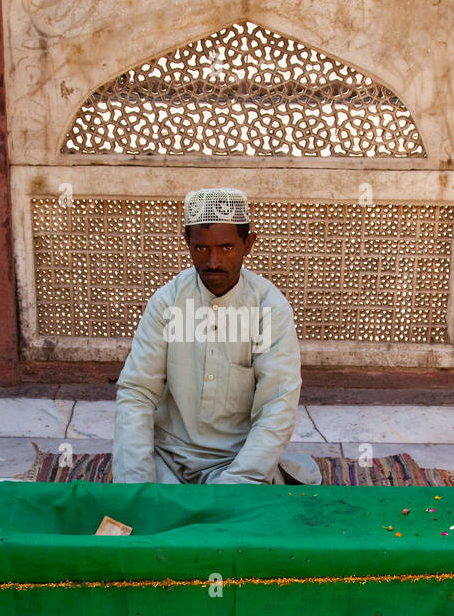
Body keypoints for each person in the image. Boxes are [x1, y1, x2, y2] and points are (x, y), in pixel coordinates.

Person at [112, 187, 321, 485]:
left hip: (237, 462)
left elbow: (277, 403)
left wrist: (235, 484)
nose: (213, 262)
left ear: (248, 244)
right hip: (169, 460)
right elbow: (137, 391)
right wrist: (137, 486)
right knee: (156, 517)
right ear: (187, 243)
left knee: (243, 525)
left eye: (226, 247)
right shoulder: (167, 302)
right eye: (201, 249)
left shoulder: (269, 308)